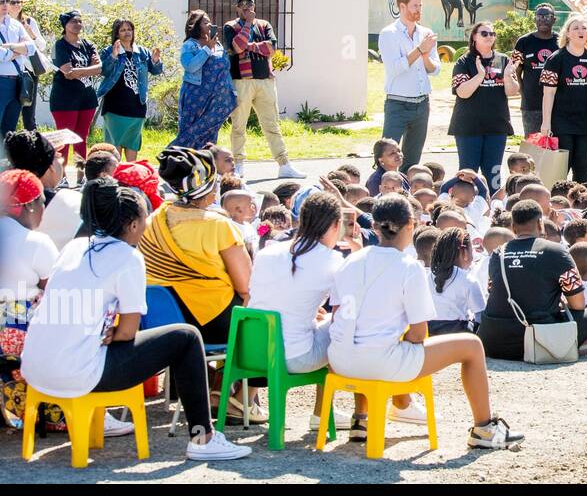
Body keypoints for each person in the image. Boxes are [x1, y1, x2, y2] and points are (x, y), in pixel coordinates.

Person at [20, 179, 250, 460]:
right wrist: (113, 333)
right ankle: (204, 438)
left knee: (173, 338)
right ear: (131, 225)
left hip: (34, 368)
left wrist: (105, 332)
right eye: (145, 219)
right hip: (77, 373)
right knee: (187, 337)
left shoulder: (75, 247)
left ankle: (199, 435)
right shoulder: (128, 257)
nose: (146, 226)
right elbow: (128, 332)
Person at [329, 193, 522, 449]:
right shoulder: (409, 267)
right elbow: (420, 333)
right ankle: (485, 429)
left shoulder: (350, 260)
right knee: (472, 346)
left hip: (339, 360)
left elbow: (338, 315)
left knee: (367, 333)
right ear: (411, 224)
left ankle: (361, 420)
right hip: (378, 363)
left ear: (374, 227)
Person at [139, 147, 253, 389]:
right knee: (262, 313)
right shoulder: (219, 226)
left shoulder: (151, 222)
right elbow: (246, 286)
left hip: (162, 325)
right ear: (210, 188)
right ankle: (238, 396)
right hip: (214, 325)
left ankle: (208, 383)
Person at [247, 192, 345, 423]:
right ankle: (322, 414)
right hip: (293, 356)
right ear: (335, 225)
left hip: (249, 353)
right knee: (341, 323)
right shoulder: (333, 260)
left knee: (325, 321)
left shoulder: (267, 251)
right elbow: (344, 316)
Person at [476, 199, 587, 360]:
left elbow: (495, 292)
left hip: (493, 341)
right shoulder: (557, 251)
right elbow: (578, 304)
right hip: (537, 339)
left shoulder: (499, 253)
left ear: (513, 228)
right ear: (541, 223)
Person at [221, 0, 302, 179]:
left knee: (272, 124)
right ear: (236, 8)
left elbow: (271, 48)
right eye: (242, 5)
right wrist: (248, 25)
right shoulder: (230, 26)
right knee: (239, 125)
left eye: (249, 4)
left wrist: (250, 46)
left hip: (265, 80)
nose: (246, 8)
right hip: (241, 81)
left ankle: (284, 164)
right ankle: (238, 164)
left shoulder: (265, 25)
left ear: (254, 5)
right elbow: (237, 47)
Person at [539, 14, 587, 187]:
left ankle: (579, 209)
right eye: (576, 28)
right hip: (562, 123)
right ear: (568, 34)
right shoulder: (556, 58)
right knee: (560, 171)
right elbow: (548, 93)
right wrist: (546, 123)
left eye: (584, 28)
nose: (581, 31)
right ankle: (557, 207)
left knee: (582, 171)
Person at [450, 20, 518, 193]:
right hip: (468, 127)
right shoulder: (464, 62)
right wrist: (480, 75)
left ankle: (494, 209)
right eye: (484, 33)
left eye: (492, 34)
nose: (490, 36)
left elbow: (512, 92)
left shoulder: (502, 60)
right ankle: (464, 208)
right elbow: (462, 92)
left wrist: (509, 75)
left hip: (496, 126)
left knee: (493, 173)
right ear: (474, 37)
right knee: (467, 172)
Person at [379, 0, 440, 175]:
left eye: (420, 5)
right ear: (402, 6)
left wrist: (424, 56)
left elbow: (435, 69)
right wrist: (420, 50)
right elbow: (395, 68)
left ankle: (406, 196)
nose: (419, 10)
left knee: (412, 159)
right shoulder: (389, 33)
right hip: (397, 103)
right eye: (414, 6)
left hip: (422, 103)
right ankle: (381, 192)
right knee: (388, 156)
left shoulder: (426, 33)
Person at [0, 169, 59, 363]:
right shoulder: (36, 242)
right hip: (16, 332)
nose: (45, 207)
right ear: (29, 205)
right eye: (42, 201)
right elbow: (54, 289)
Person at [96, 19, 163, 162]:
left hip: (137, 106)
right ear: (117, 34)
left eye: (129, 29)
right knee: (115, 146)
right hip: (115, 107)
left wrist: (156, 61)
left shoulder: (142, 52)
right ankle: (115, 178)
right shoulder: (109, 50)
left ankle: (129, 178)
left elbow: (156, 71)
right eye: (123, 30)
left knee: (133, 144)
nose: (127, 32)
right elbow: (104, 71)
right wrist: (114, 56)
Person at [173, 10, 238, 151]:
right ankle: (175, 158)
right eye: (205, 22)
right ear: (195, 25)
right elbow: (190, 66)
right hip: (195, 97)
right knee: (190, 130)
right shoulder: (190, 45)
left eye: (209, 21)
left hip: (216, 100)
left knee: (210, 132)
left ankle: (207, 166)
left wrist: (230, 90)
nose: (210, 24)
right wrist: (207, 48)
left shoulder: (218, 45)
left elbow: (225, 68)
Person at [49, 10, 100, 167]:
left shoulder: (88, 44)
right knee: (64, 138)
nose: (77, 24)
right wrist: (89, 68)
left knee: (81, 137)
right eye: (73, 21)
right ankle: (60, 173)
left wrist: (79, 70)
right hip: (65, 99)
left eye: (79, 21)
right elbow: (67, 73)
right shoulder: (60, 45)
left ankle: (79, 172)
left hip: (87, 98)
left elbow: (99, 69)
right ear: (65, 25)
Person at [425, 227, 487, 334]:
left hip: (429, 334)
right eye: (472, 250)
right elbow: (481, 316)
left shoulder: (427, 276)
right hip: (458, 336)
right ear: (465, 253)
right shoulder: (468, 280)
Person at [511, 3, 558, 138]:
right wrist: (523, 91)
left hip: (558, 105)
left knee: (555, 147)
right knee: (533, 146)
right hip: (531, 105)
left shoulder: (561, 41)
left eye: (547, 16)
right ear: (535, 19)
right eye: (539, 16)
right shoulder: (523, 42)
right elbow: (514, 71)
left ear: (554, 19)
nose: (543, 19)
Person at [8, 0, 47, 134]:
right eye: (12, 2)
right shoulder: (4, 24)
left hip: (29, 72)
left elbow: (42, 46)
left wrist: (32, 34)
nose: (16, 5)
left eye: (19, 2)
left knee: (29, 114)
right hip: (9, 73)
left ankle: (33, 148)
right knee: (10, 111)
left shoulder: (29, 21)